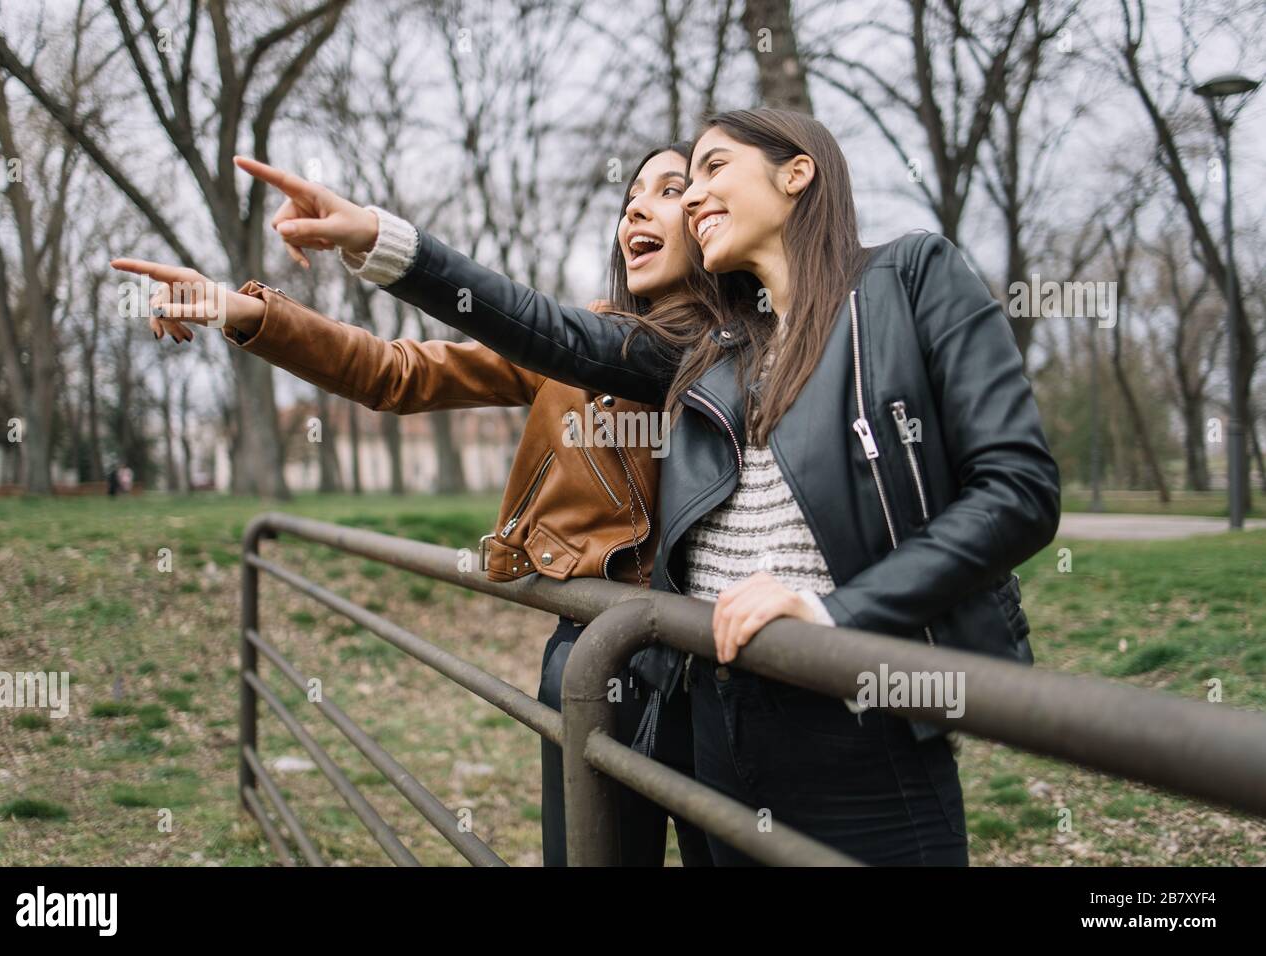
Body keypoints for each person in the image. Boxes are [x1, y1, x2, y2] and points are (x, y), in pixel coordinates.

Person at [228, 107, 1060, 866]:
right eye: (675, 184)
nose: (689, 197)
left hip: (856, 718)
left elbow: (1018, 488)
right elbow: (519, 331)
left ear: (797, 172)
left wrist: (832, 612)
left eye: (707, 171)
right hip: (719, 713)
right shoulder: (709, 354)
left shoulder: (908, 277)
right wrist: (376, 238)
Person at [111, 145, 718, 867]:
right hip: (591, 662)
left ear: (711, 214)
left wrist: (376, 235)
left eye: (671, 189)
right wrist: (248, 313)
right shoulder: (571, 344)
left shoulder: (736, 348)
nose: (636, 209)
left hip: (713, 675)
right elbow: (397, 373)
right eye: (629, 197)